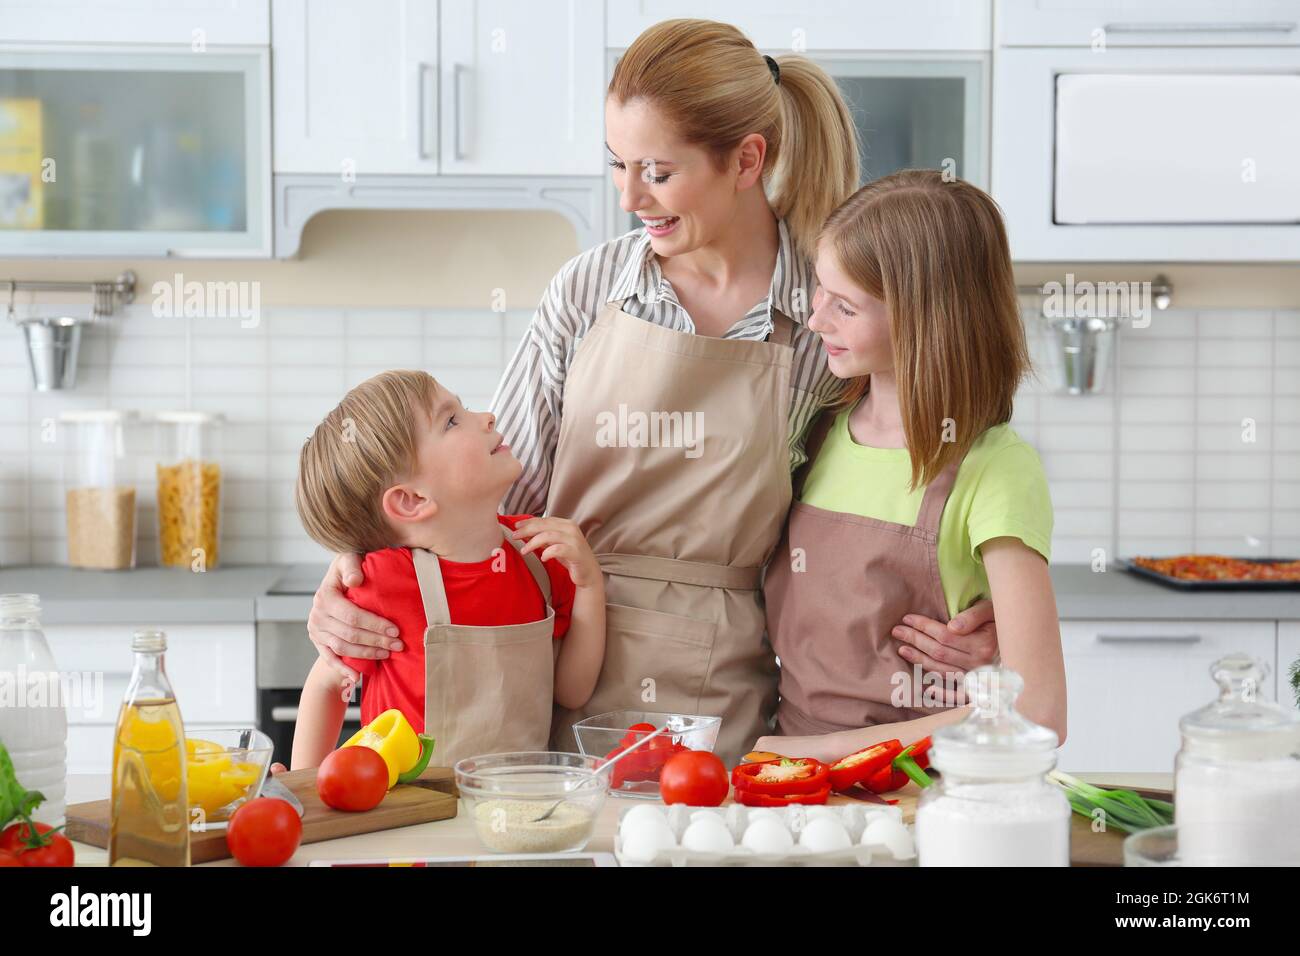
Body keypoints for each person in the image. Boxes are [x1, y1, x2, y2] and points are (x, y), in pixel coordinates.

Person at [302, 20, 1001, 767]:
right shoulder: (593, 288)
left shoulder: (823, 313)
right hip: (548, 664)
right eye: (617, 164)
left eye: (658, 171)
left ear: (746, 160)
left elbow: (869, 510)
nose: (631, 196)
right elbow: (486, 487)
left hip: (718, 687)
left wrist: (972, 608)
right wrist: (358, 570)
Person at [758, 170, 1067, 764]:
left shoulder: (995, 469)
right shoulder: (813, 429)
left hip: (919, 791)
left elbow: (1039, 711)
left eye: (845, 306)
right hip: (787, 780)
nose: (817, 320)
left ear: (927, 319)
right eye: (820, 293)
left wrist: (834, 752)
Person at [289, 370, 606, 770]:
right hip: (407, 816)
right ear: (412, 501)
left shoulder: (538, 557)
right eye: (453, 420)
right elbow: (328, 683)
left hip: (518, 809)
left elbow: (572, 690)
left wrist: (589, 583)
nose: (488, 416)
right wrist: (303, 788)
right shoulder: (384, 583)